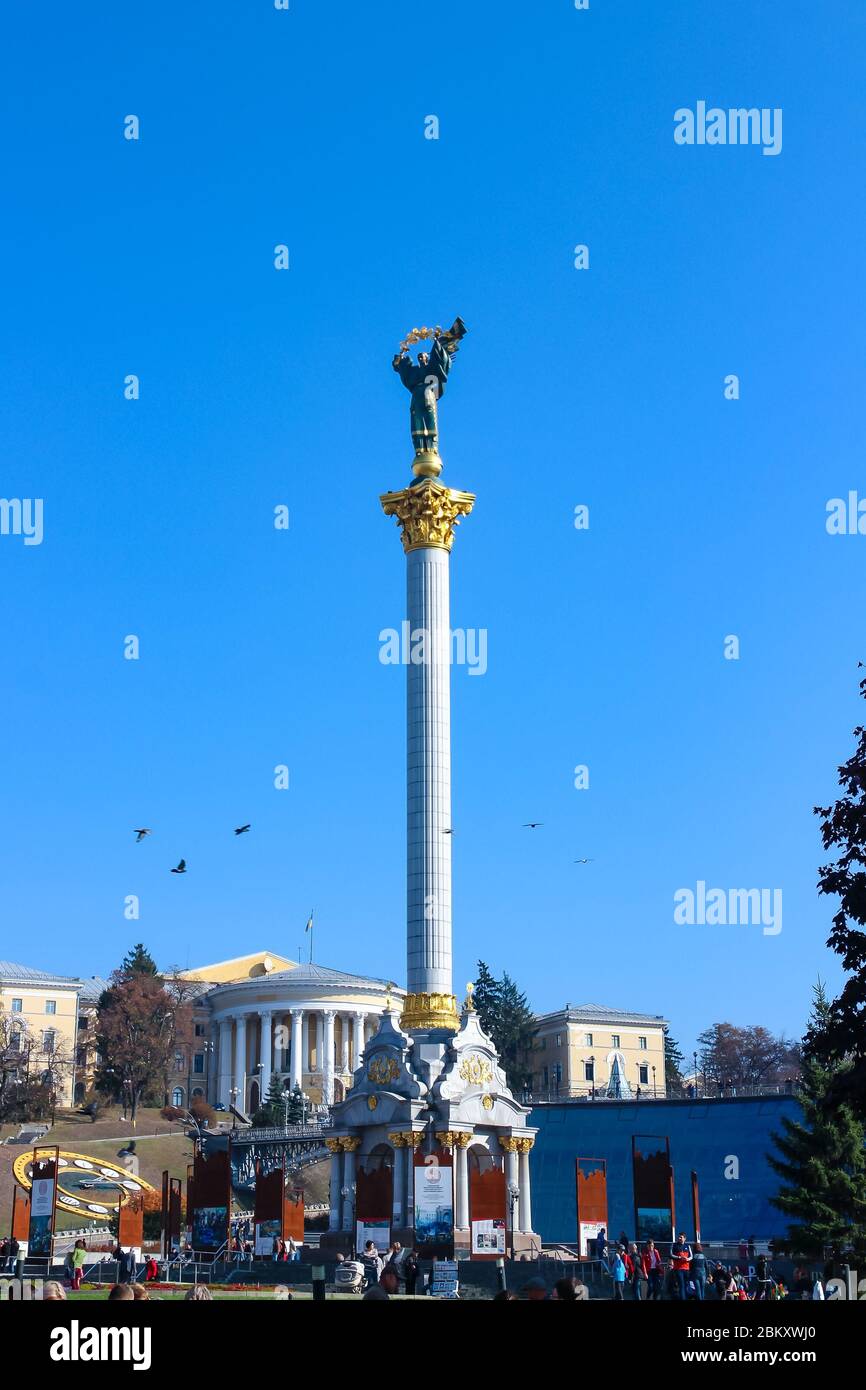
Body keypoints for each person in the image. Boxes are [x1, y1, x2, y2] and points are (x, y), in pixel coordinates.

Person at [671, 1234, 693, 1300]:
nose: (679, 1238)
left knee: (686, 1285)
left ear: (685, 1238)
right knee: (681, 1285)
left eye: (681, 1237)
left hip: (686, 1269)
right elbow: (671, 1255)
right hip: (678, 1269)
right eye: (679, 1237)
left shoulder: (688, 1246)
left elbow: (691, 1256)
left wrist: (687, 1259)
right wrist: (679, 1257)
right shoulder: (674, 1245)